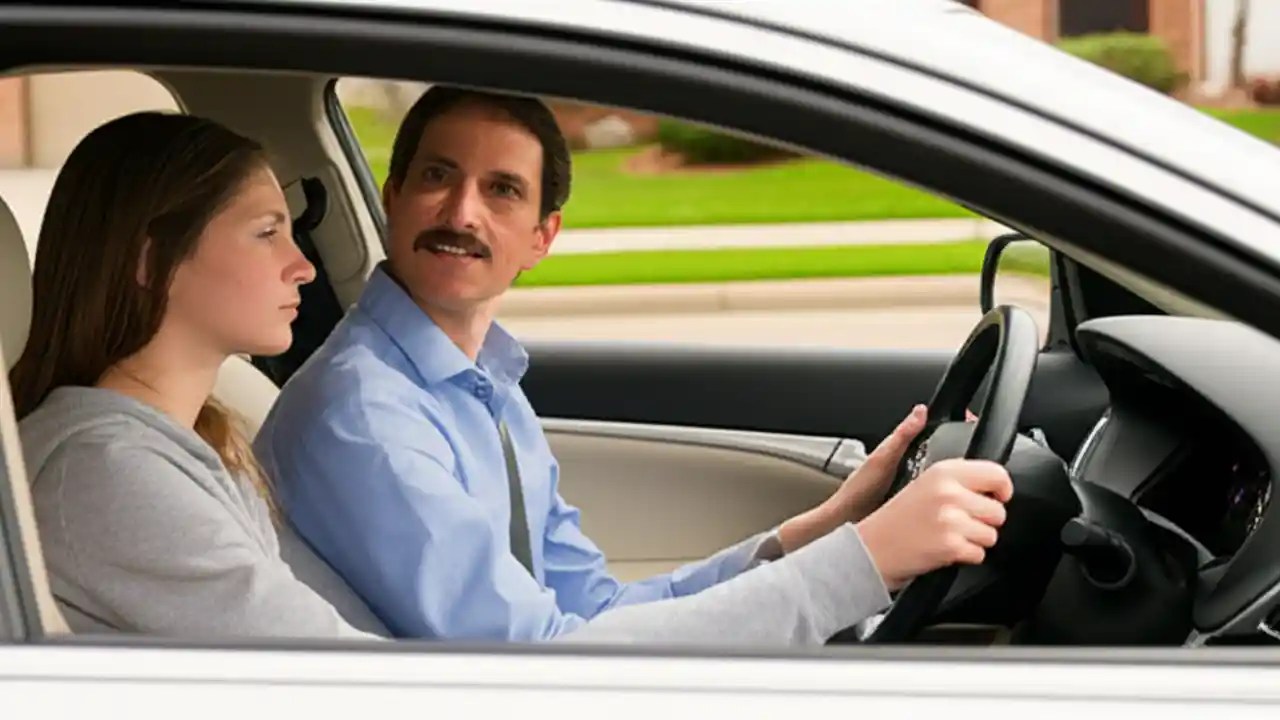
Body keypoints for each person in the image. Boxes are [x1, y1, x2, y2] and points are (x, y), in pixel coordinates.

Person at [12, 110, 1013, 645]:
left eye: (502, 191)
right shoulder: (121, 471)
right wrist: (856, 564)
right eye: (269, 232)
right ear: (150, 259)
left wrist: (815, 539)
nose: (305, 266)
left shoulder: (468, 387)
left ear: (543, 238)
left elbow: (577, 614)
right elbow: (490, 673)